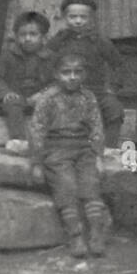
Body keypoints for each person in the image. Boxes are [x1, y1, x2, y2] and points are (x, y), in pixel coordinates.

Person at [30, 52, 111, 258]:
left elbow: (96, 127)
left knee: (90, 185)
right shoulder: (48, 98)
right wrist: (37, 162)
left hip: (84, 150)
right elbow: (37, 130)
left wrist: (99, 157)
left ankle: (96, 233)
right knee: (66, 187)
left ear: (84, 75)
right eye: (66, 72)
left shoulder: (88, 97)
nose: (72, 77)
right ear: (57, 74)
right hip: (56, 151)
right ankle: (75, 235)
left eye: (77, 72)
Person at [48, 0, 124, 146]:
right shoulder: (59, 40)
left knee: (114, 109)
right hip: (66, 90)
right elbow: (46, 62)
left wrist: (113, 88)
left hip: (96, 91)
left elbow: (118, 64)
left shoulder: (100, 41)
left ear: (91, 18)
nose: (78, 21)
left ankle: (109, 148)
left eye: (83, 17)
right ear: (64, 17)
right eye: (72, 16)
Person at [0, 11, 55, 154]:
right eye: (22, 35)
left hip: (38, 99)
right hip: (15, 98)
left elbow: (56, 82)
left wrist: (43, 94)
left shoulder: (50, 57)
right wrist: (6, 93)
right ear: (16, 37)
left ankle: (49, 141)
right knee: (13, 104)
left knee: (53, 105)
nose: (27, 39)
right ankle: (19, 141)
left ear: (43, 37)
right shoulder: (8, 55)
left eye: (33, 34)